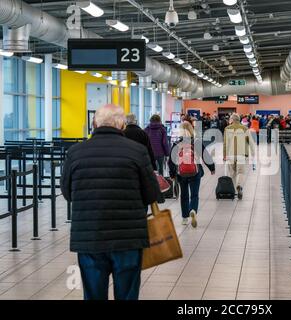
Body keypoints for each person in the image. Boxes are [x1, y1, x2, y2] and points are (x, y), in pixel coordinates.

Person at [61, 104, 160, 300]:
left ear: (94, 123)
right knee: (127, 294)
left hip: (90, 237)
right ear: (122, 125)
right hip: (128, 238)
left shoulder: (75, 153)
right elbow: (151, 194)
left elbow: (67, 193)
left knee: (94, 294)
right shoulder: (137, 151)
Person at [168, 122, 215, 227]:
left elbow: (171, 161)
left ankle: (184, 218)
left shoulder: (177, 143)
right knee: (194, 194)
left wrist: (172, 174)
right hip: (195, 172)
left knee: (184, 195)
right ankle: (193, 209)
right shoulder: (196, 142)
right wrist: (212, 168)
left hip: (181, 173)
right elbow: (205, 155)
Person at [223, 113, 255, 200]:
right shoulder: (245, 129)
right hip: (241, 155)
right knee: (240, 172)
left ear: (232, 120)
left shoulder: (227, 129)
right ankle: (239, 186)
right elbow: (251, 142)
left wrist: (224, 155)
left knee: (232, 173)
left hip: (230, 154)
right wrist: (253, 154)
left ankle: (233, 190)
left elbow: (225, 143)